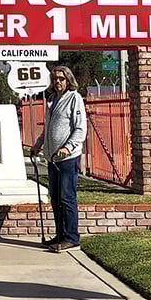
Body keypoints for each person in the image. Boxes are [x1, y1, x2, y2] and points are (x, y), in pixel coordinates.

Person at [30, 65, 87, 252]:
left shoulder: (74, 98)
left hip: (68, 158)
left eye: (61, 78)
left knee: (67, 197)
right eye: (55, 79)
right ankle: (60, 235)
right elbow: (49, 129)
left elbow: (80, 129)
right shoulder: (52, 100)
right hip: (52, 157)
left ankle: (71, 237)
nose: (58, 82)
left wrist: (67, 147)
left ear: (68, 80)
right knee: (55, 198)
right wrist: (39, 144)